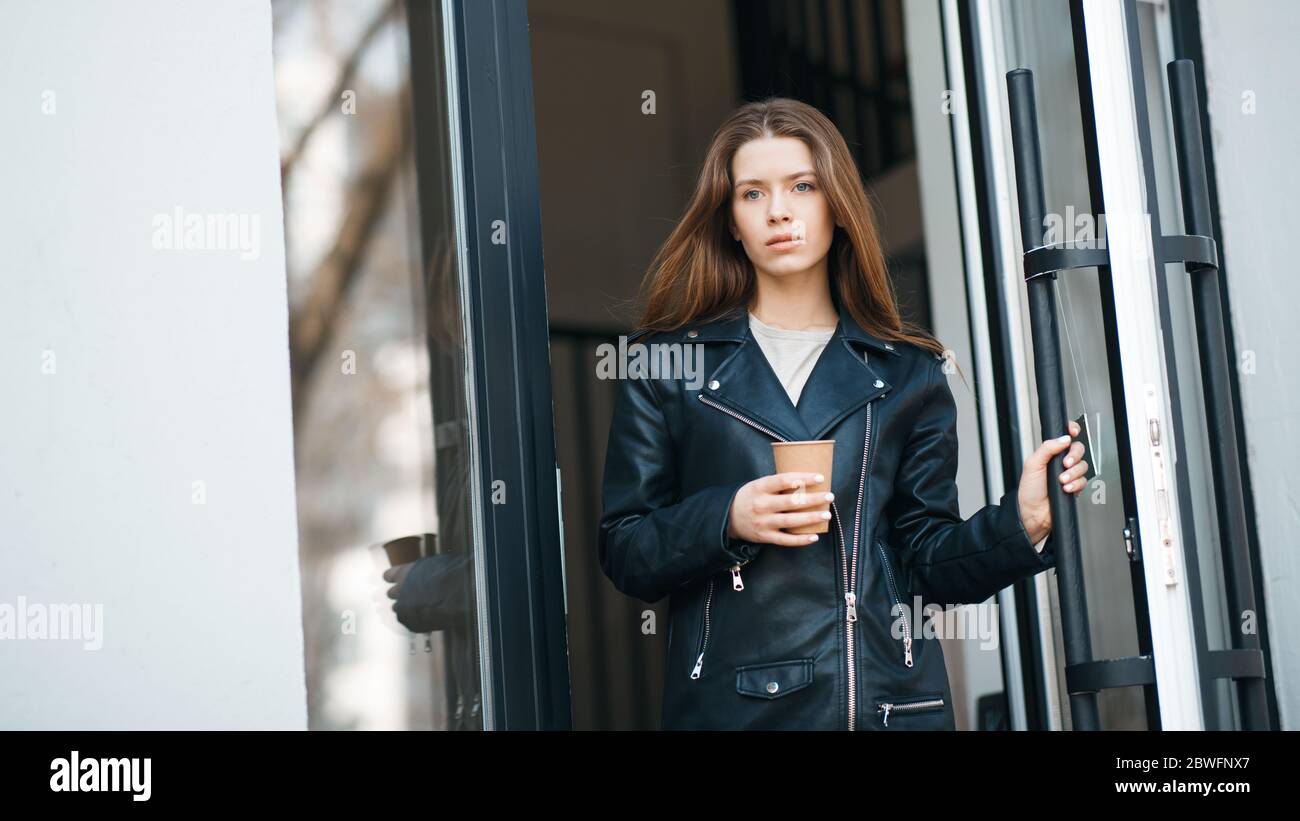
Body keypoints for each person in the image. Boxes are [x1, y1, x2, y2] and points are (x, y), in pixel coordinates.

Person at [597, 97, 1088, 730]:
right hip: (736, 712)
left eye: (802, 185)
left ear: (835, 203)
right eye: (752, 194)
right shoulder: (664, 368)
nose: (779, 210)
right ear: (729, 222)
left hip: (886, 705)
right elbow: (625, 549)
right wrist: (728, 516)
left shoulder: (909, 373)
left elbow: (927, 560)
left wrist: (1019, 523)